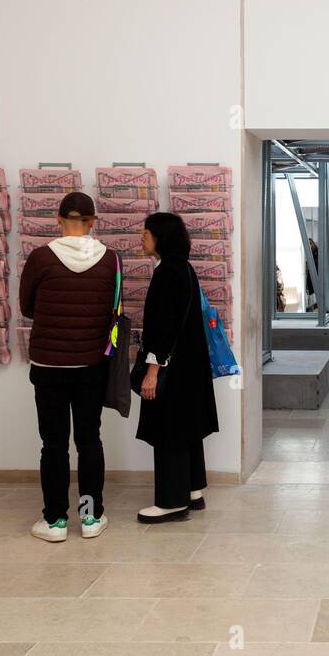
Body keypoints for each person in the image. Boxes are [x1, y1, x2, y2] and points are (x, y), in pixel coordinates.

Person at [19, 191, 119, 543]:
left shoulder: (40, 258)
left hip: (48, 364)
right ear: (93, 222)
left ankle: (55, 521)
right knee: (89, 440)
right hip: (92, 364)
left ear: (58, 219)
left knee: (53, 443)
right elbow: (114, 308)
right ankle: (91, 519)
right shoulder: (111, 260)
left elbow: (27, 307)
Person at [134, 212, 220, 522]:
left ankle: (172, 501)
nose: (141, 239)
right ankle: (194, 489)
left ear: (161, 237)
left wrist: (153, 370)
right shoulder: (183, 268)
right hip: (190, 367)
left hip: (172, 366)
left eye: (146, 234)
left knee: (169, 428)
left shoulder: (167, 273)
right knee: (188, 426)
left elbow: (164, 327)